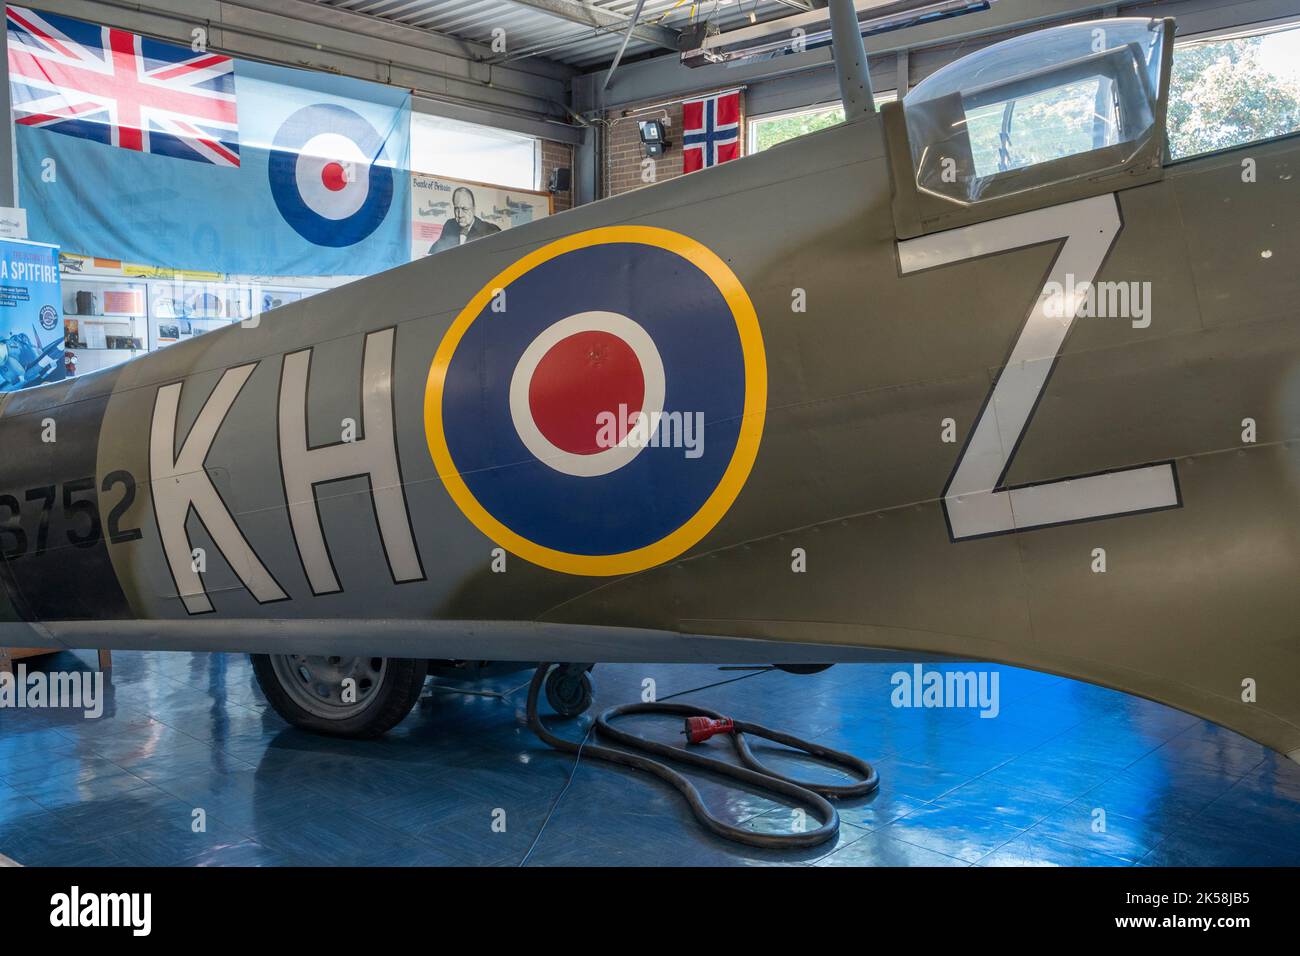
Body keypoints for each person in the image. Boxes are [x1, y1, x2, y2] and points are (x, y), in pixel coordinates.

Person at [429, 187, 501, 253]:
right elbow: (435, 251)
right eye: (456, 208)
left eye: (464, 209)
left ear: (474, 209)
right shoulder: (450, 225)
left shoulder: (491, 231)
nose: (460, 215)